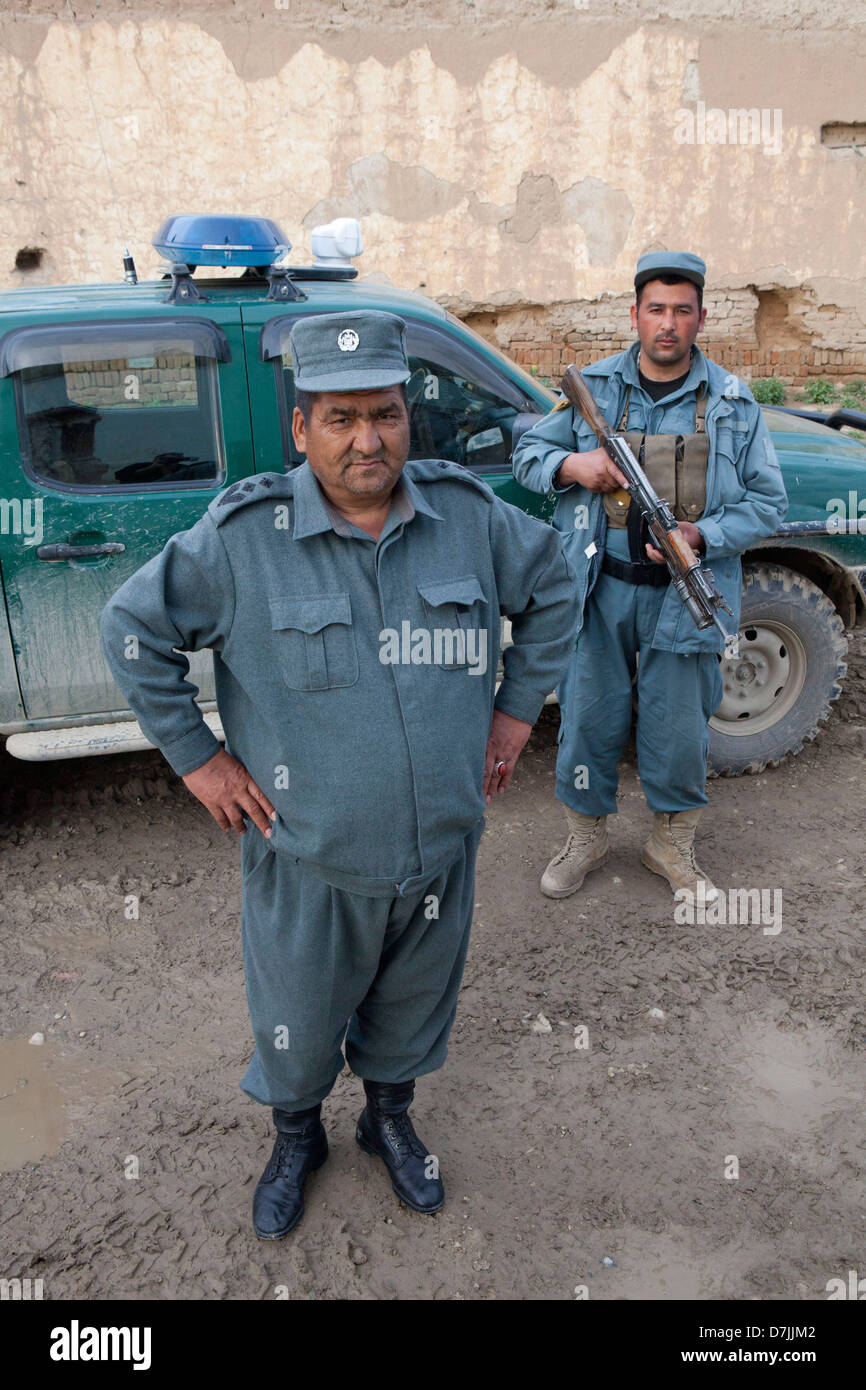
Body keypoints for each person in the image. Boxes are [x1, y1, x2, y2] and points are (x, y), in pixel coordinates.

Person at [100, 309, 578, 1239]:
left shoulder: (470, 521)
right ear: (301, 428)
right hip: (308, 858)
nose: (369, 440)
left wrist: (516, 716)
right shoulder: (243, 539)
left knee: (411, 1008)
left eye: (387, 415)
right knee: (299, 1018)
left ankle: (389, 1123)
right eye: (341, 417)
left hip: (439, 846)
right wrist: (199, 762)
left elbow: (556, 589)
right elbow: (133, 631)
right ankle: (294, 1137)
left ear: (410, 417)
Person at [513, 252, 787, 903]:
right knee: (586, 719)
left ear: (700, 318)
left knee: (679, 731)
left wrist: (702, 536)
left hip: (683, 596)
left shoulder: (730, 403)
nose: (668, 324)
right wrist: (573, 467)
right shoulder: (596, 389)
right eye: (656, 310)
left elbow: (769, 504)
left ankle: (671, 846)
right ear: (635, 314)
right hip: (599, 589)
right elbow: (528, 454)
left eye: (681, 311)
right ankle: (585, 837)